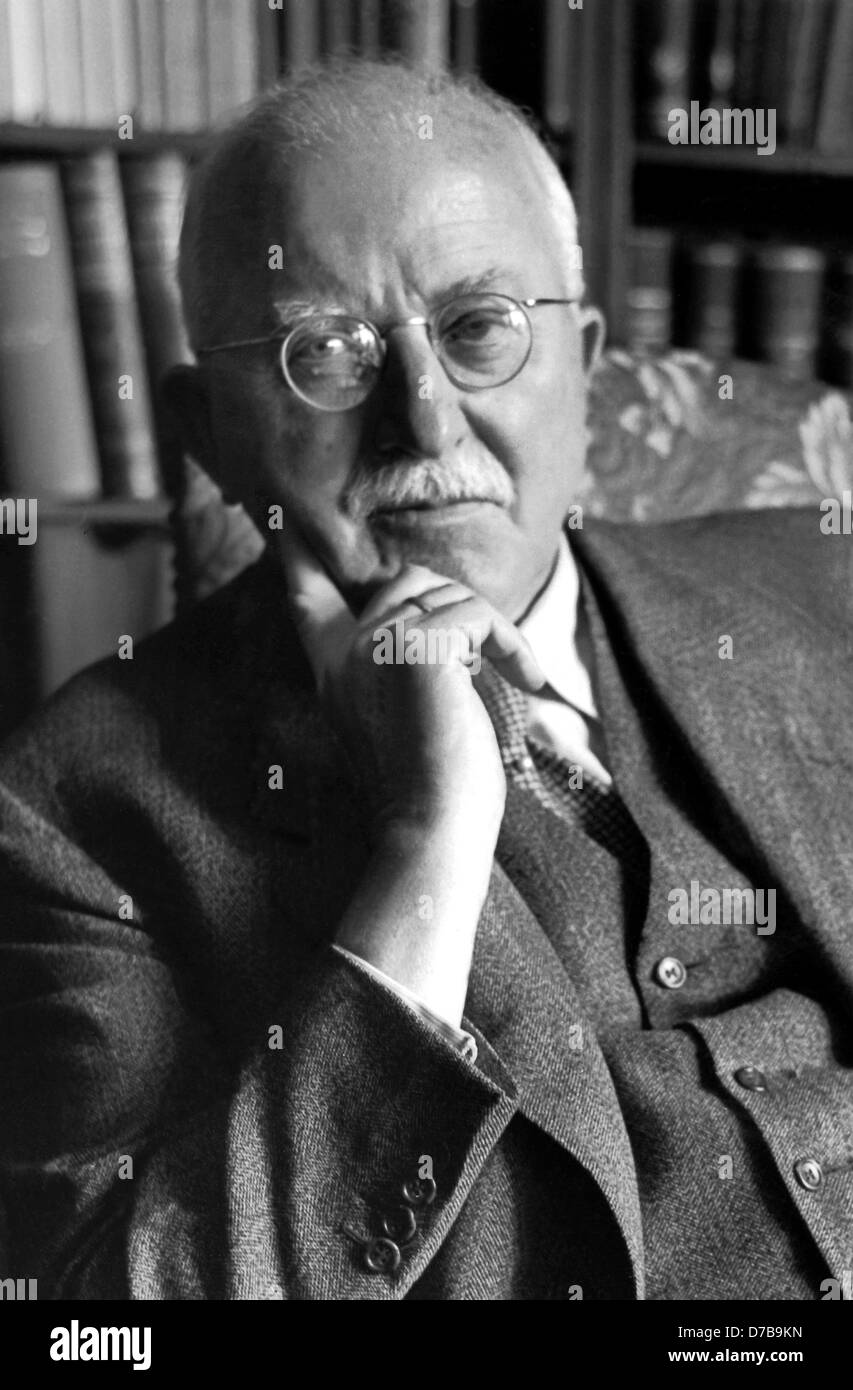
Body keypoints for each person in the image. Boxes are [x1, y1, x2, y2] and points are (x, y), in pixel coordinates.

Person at [1, 59, 850, 1302]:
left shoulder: (817, 587)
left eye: (478, 328)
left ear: (589, 370)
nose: (429, 423)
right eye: (327, 354)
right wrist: (428, 839)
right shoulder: (70, 813)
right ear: (207, 432)